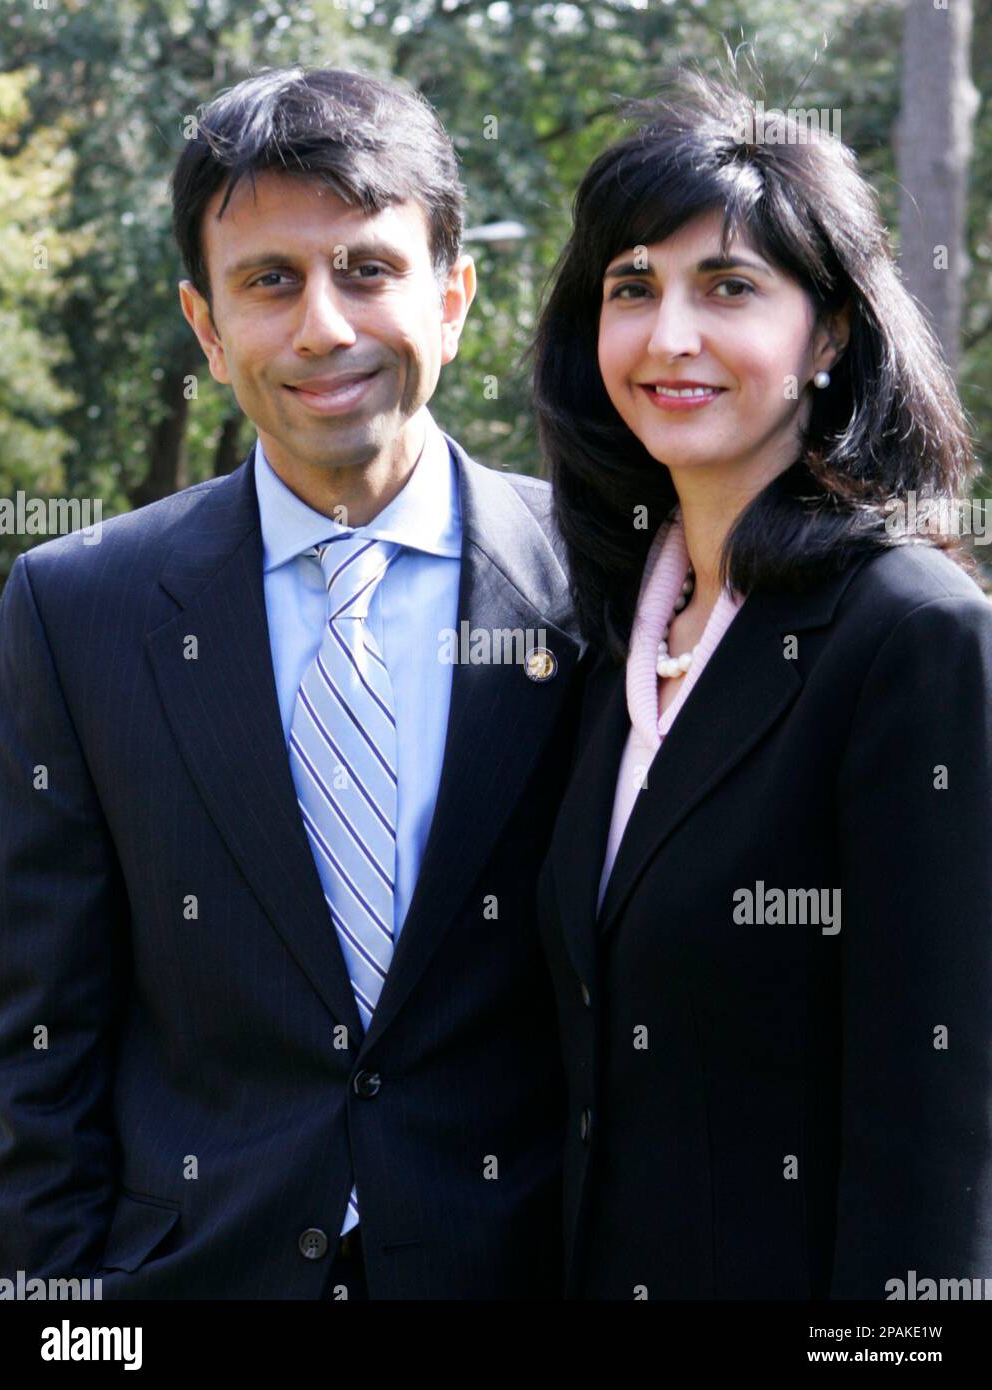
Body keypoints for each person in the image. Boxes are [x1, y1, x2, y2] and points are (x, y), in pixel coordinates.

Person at [0, 66, 584, 1300]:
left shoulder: (609, 583)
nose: (324, 325)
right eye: (269, 281)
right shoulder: (76, 609)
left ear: (454, 297)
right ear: (207, 330)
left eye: (368, 268)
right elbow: (37, 1031)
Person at [531, 70, 992, 1300]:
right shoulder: (602, 634)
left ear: (828, 334)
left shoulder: (913, 637)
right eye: (631, 288)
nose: (667, 335)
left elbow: (940, 1115)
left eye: (727, 287)